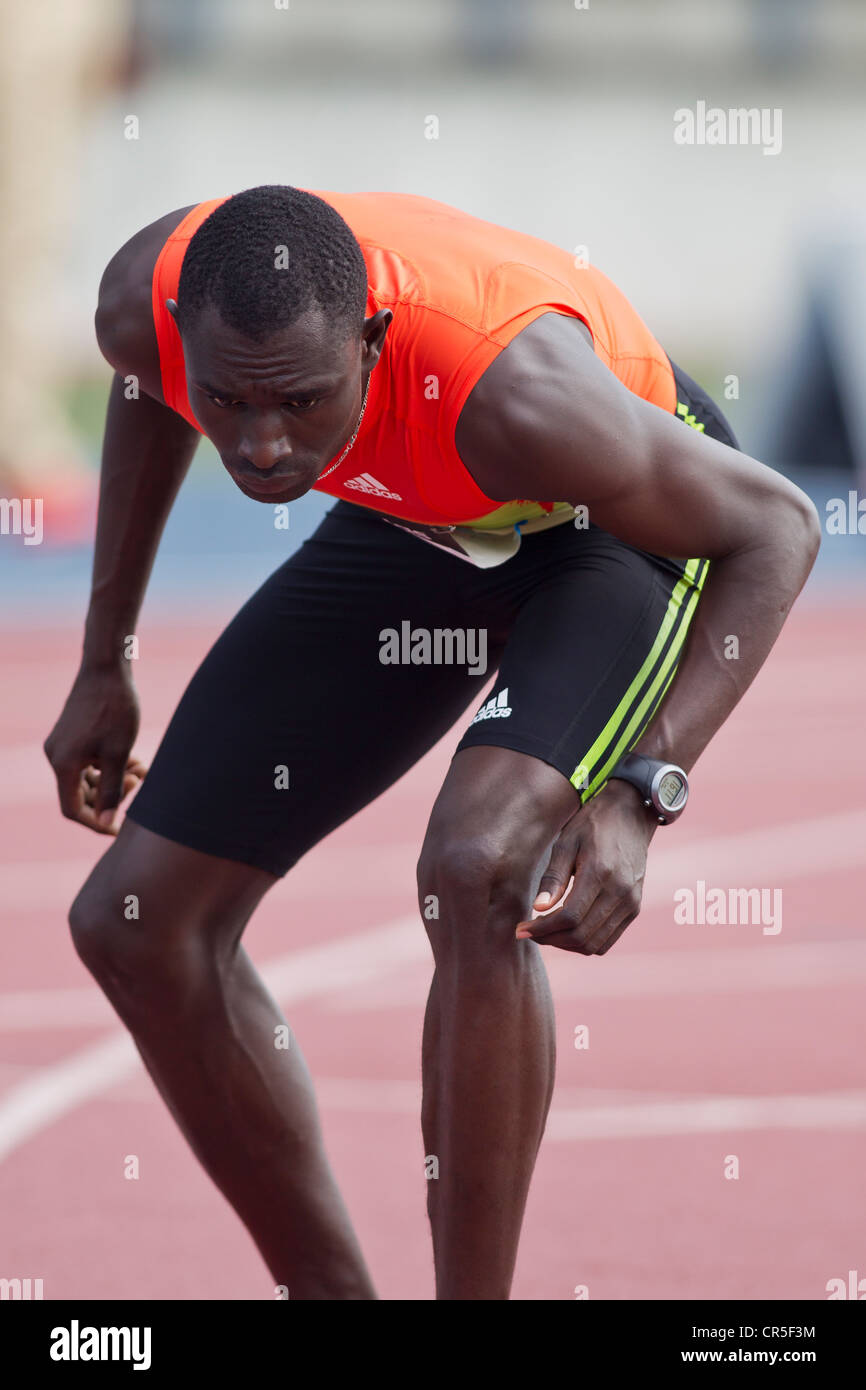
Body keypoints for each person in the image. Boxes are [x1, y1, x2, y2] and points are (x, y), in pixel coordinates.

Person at [44, 186, 820, 1300]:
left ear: (367, 343)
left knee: (475, 864)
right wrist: (103, 659)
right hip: (422, 512)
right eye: (230, 401)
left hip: (613, 527)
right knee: (137, 926)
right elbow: (152, 391)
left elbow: (777, 526)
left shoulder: (529, 400)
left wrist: (641, 792)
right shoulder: (145, 303)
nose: (261, 449)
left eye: (300, 402)